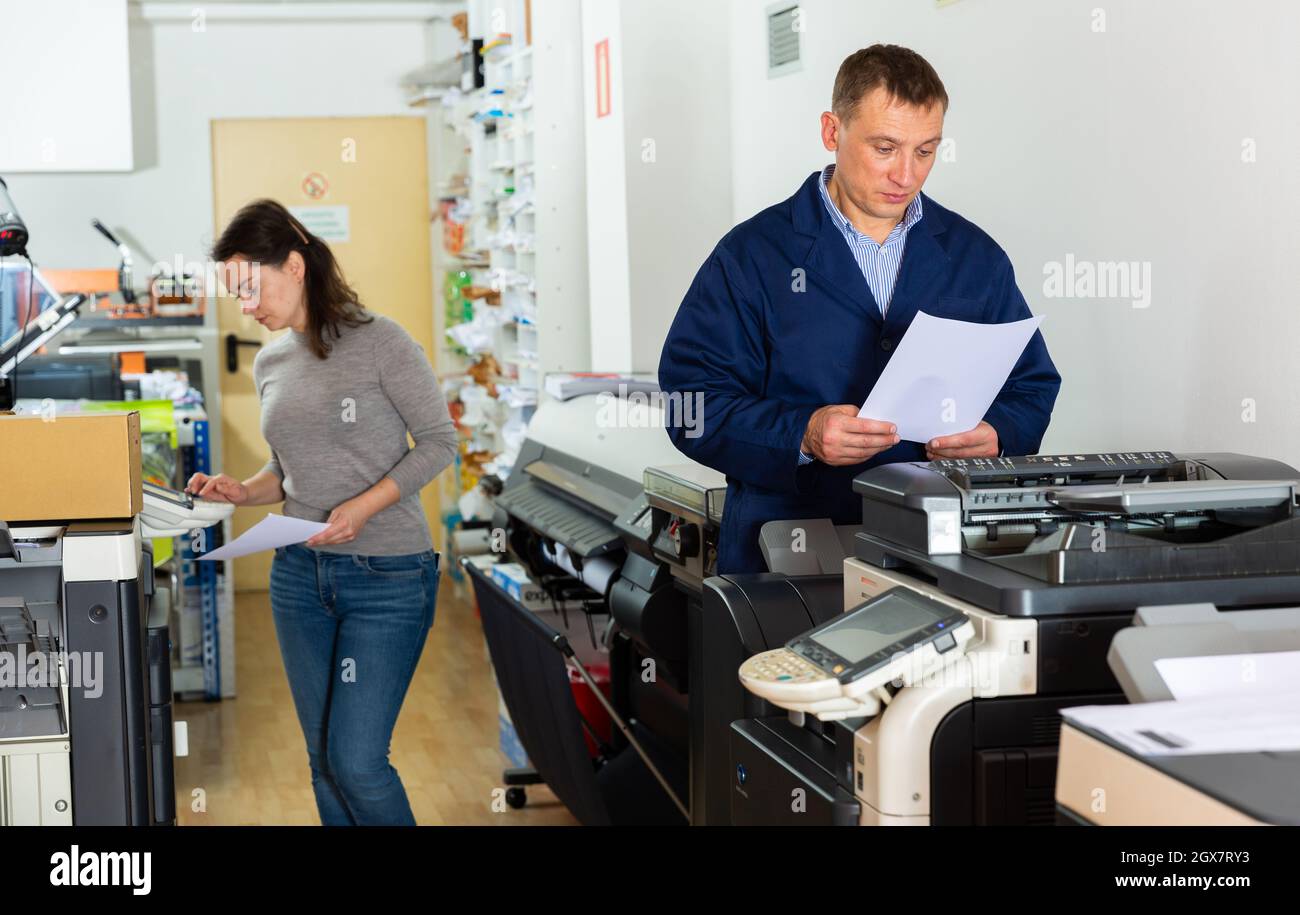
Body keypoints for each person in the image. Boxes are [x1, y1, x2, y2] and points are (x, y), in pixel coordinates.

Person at [658, 44, 1061, 574]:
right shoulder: (752, 256)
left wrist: (999, 433)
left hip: (935, 547)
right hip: (785, 548)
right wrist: (800, 434)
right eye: (885, 147)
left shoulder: (975, 257)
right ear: (832, 132)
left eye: (925, 151)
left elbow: (1031, 386)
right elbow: (691, 402)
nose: (906, 174)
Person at [186, 199, 458, 825]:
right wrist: (240, 490)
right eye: (236, 294)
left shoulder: (382, 342)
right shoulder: (270, 361)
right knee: (322, 759)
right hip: (300, 579)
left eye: (252, 286)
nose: (247, 305)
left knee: (358, 760)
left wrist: (363, 505)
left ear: (295, 265)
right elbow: (286, 471)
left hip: (388, 576)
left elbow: (441, 442)